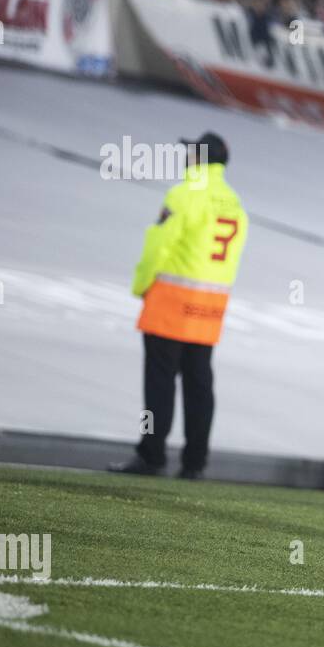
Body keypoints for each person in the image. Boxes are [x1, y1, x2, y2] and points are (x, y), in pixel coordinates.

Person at [110, 133, 248, 478]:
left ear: (199, 157)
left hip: (171, 305)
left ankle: (151, 455)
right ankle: (195, 463)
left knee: (159, 385)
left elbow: (158, 245)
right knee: (200, 387)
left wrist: (142, 286)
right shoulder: (234, 203)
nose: (187, 157)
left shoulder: (183, 195)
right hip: (209, 309)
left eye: (191, 151)